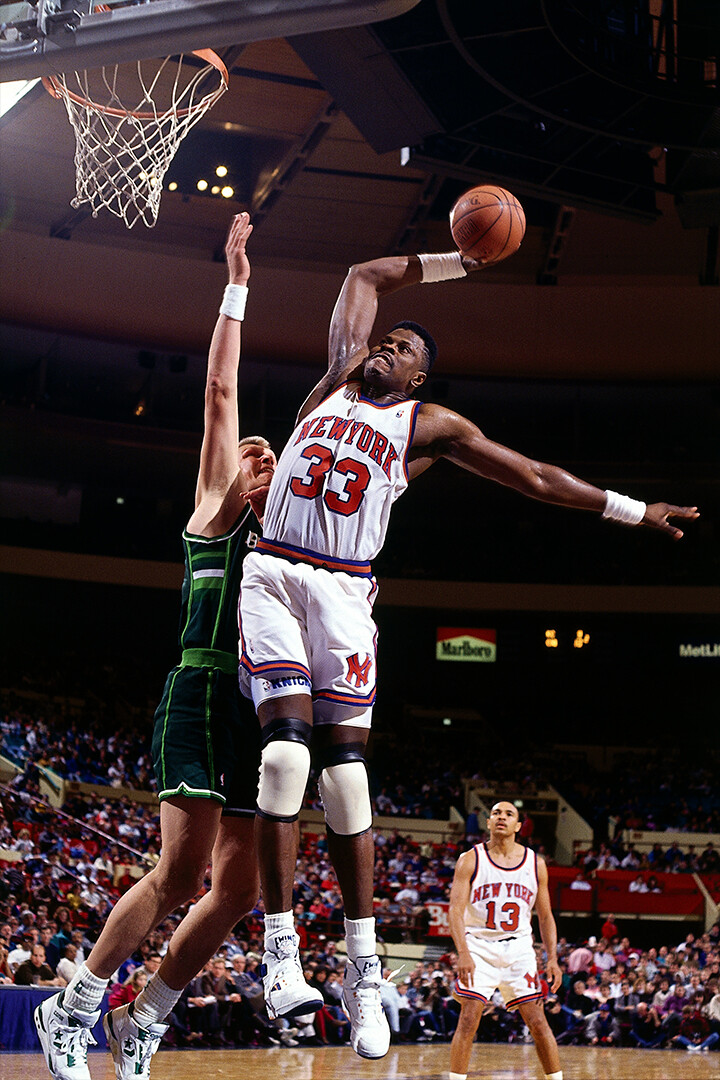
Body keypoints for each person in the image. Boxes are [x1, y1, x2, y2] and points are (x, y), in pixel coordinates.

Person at [237, 241, 699, 1059]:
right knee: (283, 761)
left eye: (403, 349)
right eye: (386, 340)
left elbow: (536, 477)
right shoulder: (336, 377)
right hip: (274, 572)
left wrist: (631, 510)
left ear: (420, 379)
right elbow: (364, 276)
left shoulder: (429, 426)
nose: (387, 347)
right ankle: (280, 956)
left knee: (346, 781)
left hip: (346, 590)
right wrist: (464, 259)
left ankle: (363, 969)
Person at [34, 213, 276, 1080]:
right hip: (201, 690)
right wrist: (236, 285)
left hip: (258, 710)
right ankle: (74, 1005)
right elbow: (219, 389)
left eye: (270, 456)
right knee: (178, 875)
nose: (258, 455)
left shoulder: (290, 540)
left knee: (239, 891)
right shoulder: (214, 507)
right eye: (248, 451)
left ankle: (144, 1018)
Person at [446, 801, 563, 1080]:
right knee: (469, 1019)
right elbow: (455, 910)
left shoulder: (536, 863)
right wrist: (463, 952)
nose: (502, 817)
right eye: (496, 813)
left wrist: (553, 958)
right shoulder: (470, 859)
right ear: (488, 822)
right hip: (479, 945)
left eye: (509, 814)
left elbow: (545, 916)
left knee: (537, 1021)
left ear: (518, 826)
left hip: (519, 948)